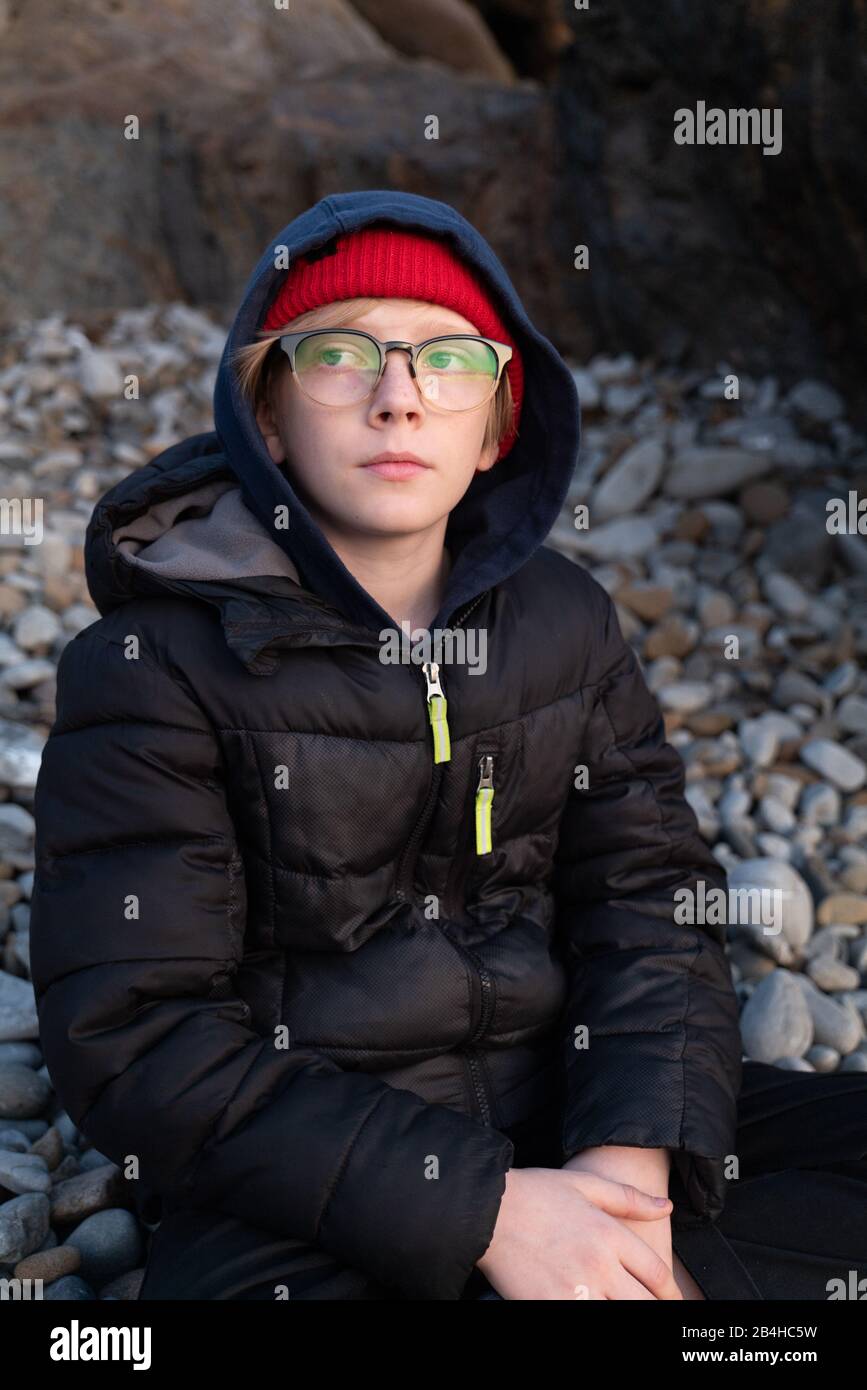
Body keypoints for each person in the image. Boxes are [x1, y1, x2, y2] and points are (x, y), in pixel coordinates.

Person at [29, 190, 867, 1301]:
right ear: (267, 416)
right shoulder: (152, 666)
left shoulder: (565, 621)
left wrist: (627, 1166)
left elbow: (653, 899)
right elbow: (138, 1033)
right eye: (340, 355)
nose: (399, 397)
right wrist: (487, 1212)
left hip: (572, 1101)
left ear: (494, 426)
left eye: (449, 359)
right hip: (314, 1179)